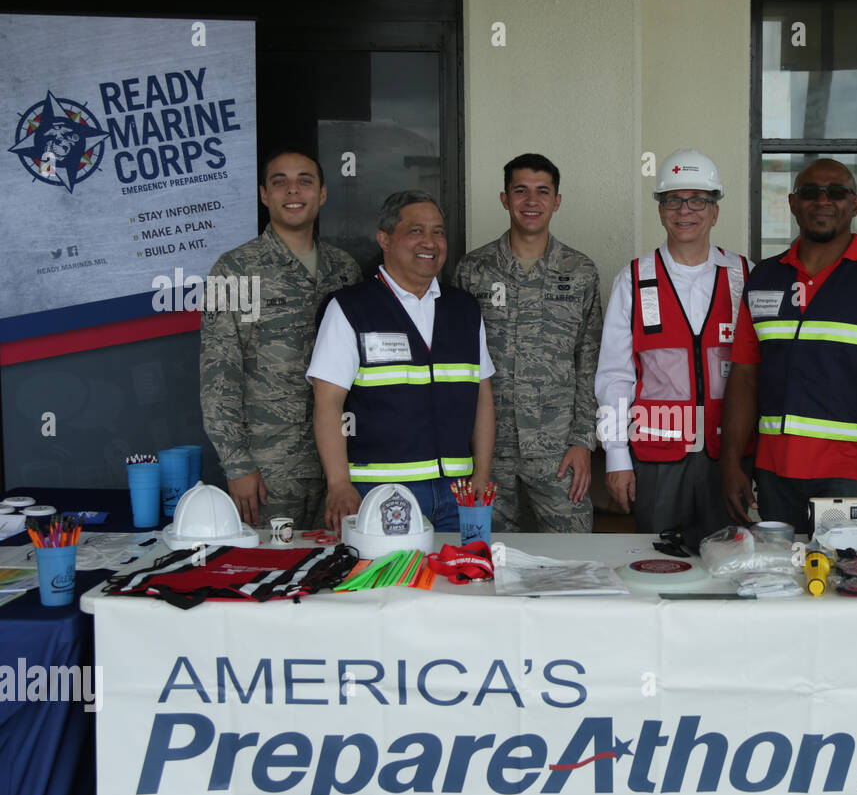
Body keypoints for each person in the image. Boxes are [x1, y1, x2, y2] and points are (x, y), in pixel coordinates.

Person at [720, 158, 857, 536]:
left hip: (852, 477)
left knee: (845, 580)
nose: (823, 200)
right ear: (792, 203)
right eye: (810, 192)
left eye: (836, 192)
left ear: (855, 204)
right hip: (775, 475)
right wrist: (731, 460)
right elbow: (745, 376)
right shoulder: (764, 277)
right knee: (780, 579)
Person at [307, 190, 496, 533]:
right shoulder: (350, 308)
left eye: (438, 232)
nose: (430, 242)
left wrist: (481, 473)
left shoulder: (464, 309)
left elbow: (482, 395)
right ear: (385, 239)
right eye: (416, 231)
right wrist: (338, 484)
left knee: (459, 583)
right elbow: (327, 402)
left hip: (460, 494)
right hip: (381, 494)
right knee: (387, 585)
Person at [594, 149, 752, 539]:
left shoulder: (745, 276)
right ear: (661, 210)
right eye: (673, 200)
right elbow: (614, 376)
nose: (686, 210)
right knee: (657, 564)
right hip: (657, 461)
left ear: (715, 211)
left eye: (698, 200)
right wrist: (616, 456)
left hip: (730, 454)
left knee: (730, 566)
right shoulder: (634, 279)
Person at [200, 148, 361, 527]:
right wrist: (237, 464)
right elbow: (218, 375)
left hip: (340, 465)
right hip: (268, 469)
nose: (293, 192)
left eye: (304, 182)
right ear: (263, 195)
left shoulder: (345, 269)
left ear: (321, 194)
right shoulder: (235, 269)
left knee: (340, 573)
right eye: (280, 183)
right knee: (269, 576)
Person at [452, 154, 602, 533]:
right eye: (520, 191)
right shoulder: (474, 269)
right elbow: (458, 363)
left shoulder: (579, 271)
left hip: (558, 450)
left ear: (557, 200)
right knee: (486, 560)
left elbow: (590, 361)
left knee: (573, 561)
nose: (531, 202)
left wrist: (583, 442)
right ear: (505, 198)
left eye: (542, 192)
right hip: (486, 451)